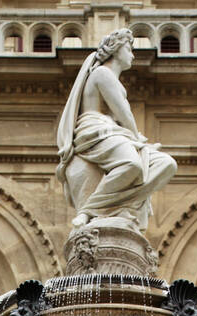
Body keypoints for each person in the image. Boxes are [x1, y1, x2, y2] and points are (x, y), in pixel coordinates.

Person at [56, 28, 177, 230]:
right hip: (96, 130)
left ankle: (114, 205)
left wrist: (139, 143)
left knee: (166, 164)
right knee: (132, 164)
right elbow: (124, 113)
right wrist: (138, 140)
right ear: (116, 49)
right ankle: (89, 210)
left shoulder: (112, 78)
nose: (133, 55)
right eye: (129, 49)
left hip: (114, 132)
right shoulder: (102, 73)